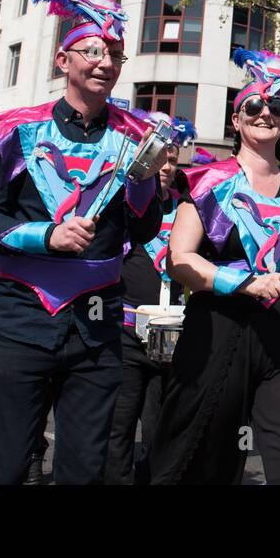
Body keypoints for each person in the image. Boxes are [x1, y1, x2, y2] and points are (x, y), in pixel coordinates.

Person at [0, 0, 166, 485]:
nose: (105, 62)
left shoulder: (132, 139)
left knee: (84, 469)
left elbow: (142, 231)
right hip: (21, 314)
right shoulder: (18, 132)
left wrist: (144, 183)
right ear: (63, 59)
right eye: (93, 50)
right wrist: (45, 237)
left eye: (115, 54)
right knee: (5, 464)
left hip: (97, 323)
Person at [148, 49, 280, 485]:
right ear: (236, 120)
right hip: (218, 326)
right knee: (206, 461)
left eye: (275, 107)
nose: (265, 113)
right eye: (253, 106)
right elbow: (178, 258)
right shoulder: (208, 182)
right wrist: (243, 282)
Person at [104, 114, 196, 485]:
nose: (167, 165)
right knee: (118, 426)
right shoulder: (122, 200)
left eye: (173, 158)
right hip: (124, 332)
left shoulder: (188, 208)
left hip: (172, 335)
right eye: (160, 156)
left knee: (161, 429)